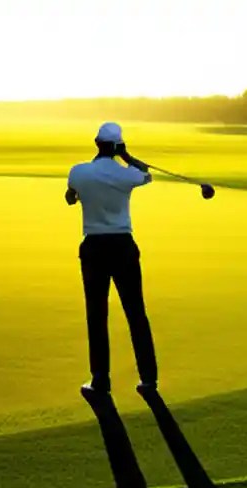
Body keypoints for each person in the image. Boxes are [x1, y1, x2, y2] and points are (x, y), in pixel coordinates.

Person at [66, 121, 159, 399]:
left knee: (97, 314)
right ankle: (149, 378)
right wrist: (127, 156)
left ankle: (100, 380)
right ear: (117, 145)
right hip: (123, 246)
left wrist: (76, 194)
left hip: (94, 247)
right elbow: (145, 173)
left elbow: (70, 198)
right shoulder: (126, 174)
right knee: (136, 312)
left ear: (96, 143)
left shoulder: (78, 172)